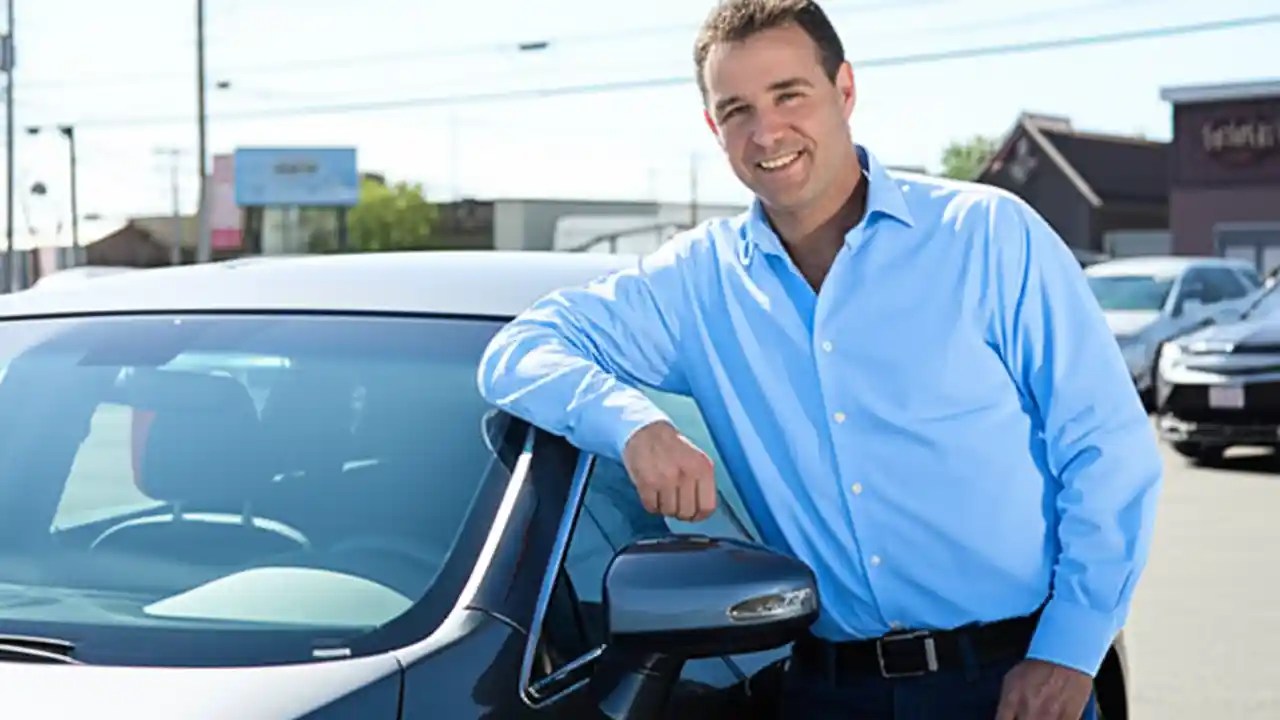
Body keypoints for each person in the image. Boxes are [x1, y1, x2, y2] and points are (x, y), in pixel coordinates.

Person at [476, 0, 1163, 717]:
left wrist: (1069, 649)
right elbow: (520, 349)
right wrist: (631, 425)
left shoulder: (989, 237)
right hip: (828, 692)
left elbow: (1107, 449)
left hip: (1009, 680)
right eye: (737, 108)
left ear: (845, 90)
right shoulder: (697, 283)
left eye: (789, 95)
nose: (766, 131)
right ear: (715, 127)